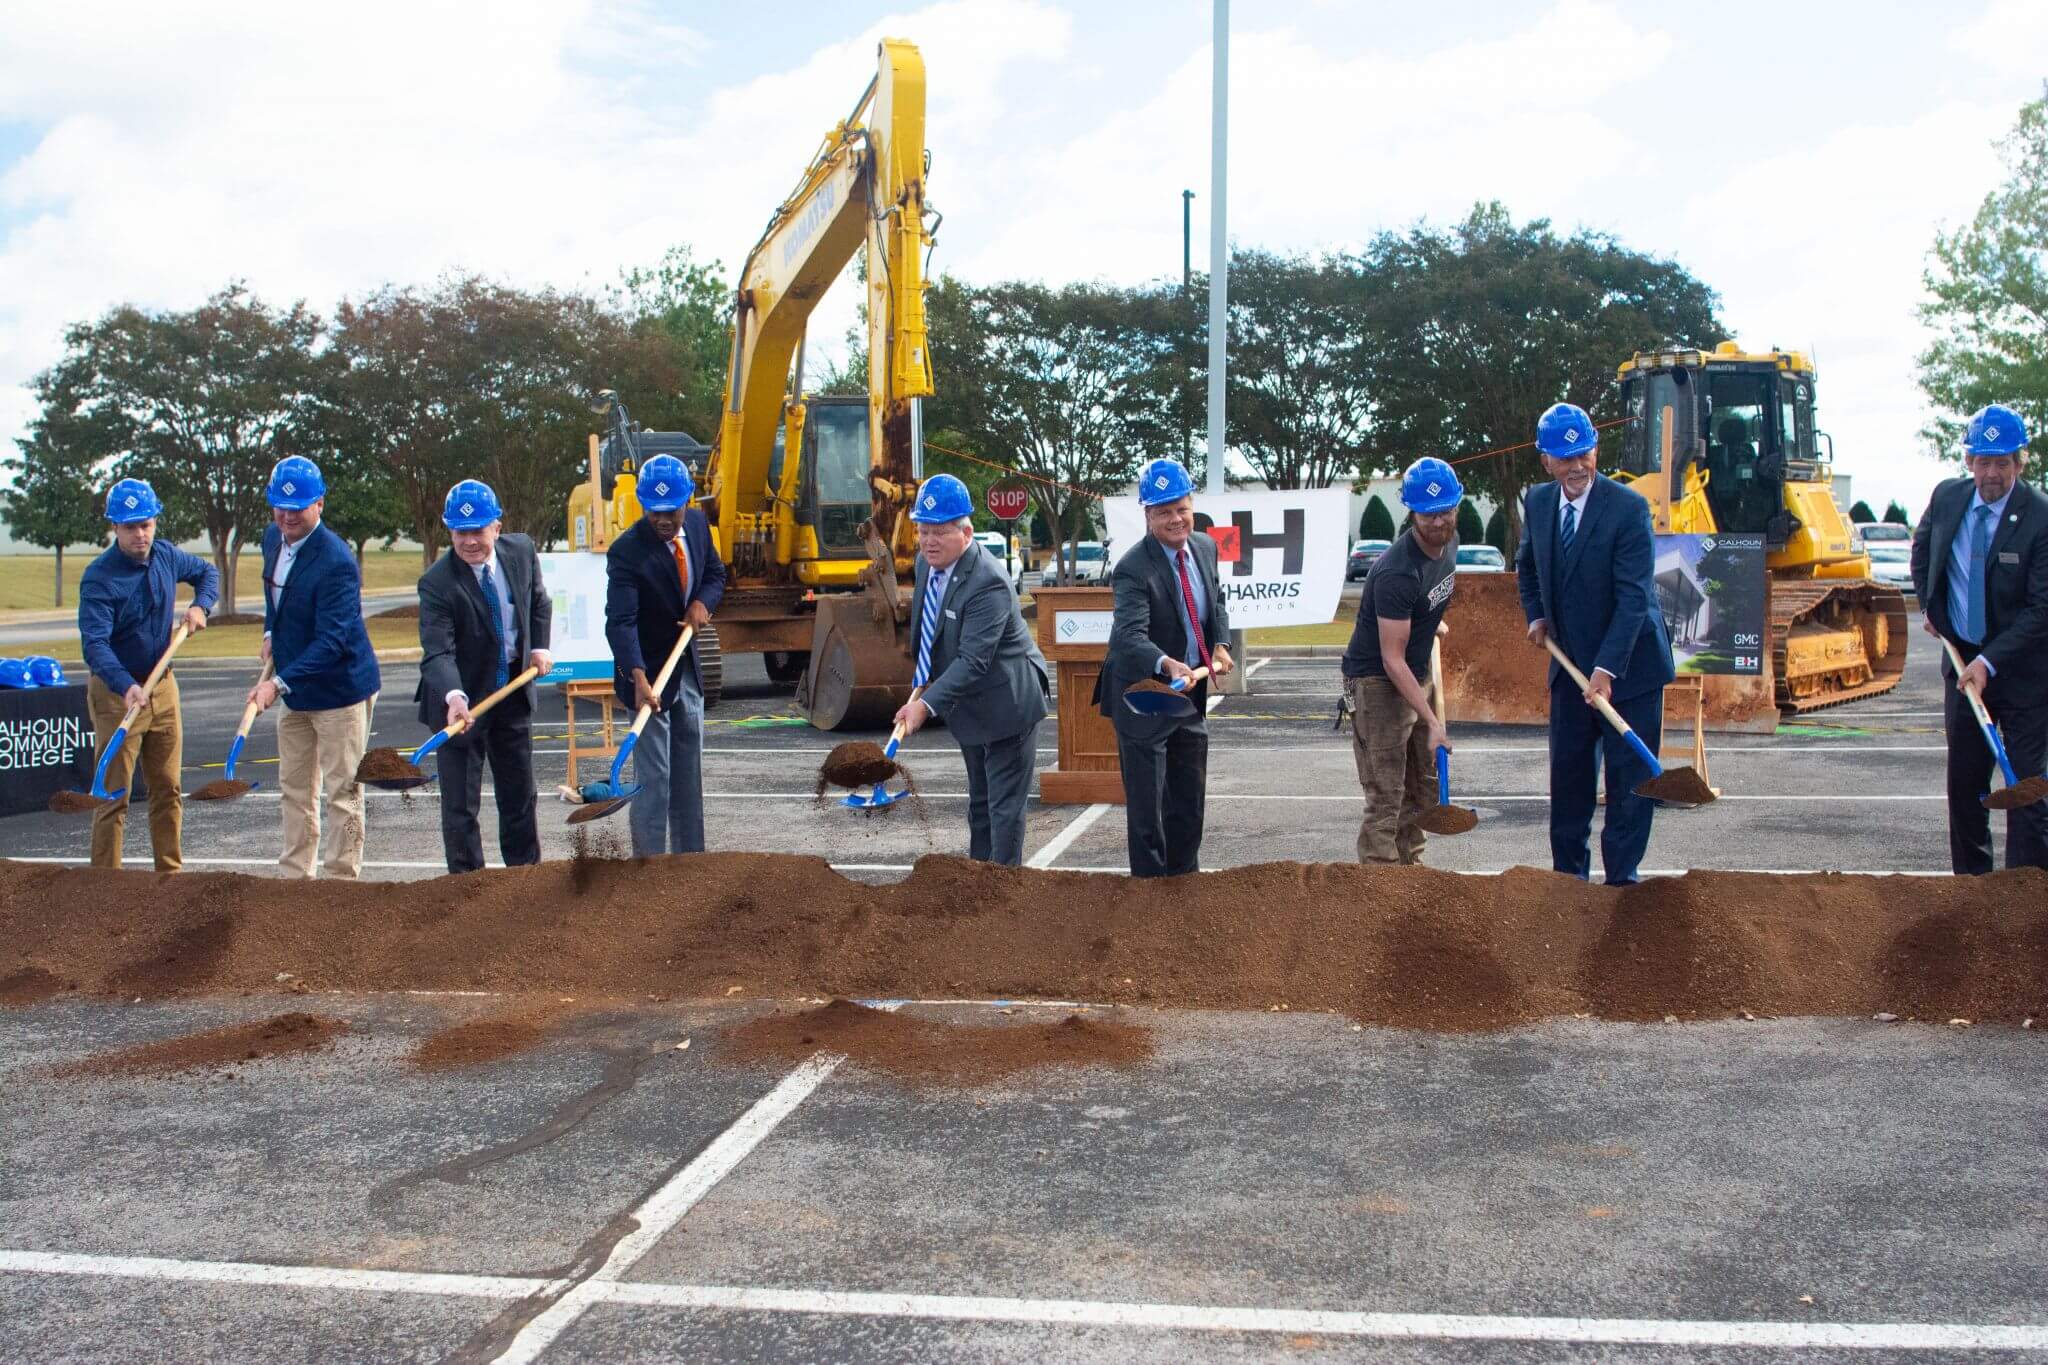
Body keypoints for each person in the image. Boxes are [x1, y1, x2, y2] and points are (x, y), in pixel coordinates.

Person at [1516, 402, 1674, 885]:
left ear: (1595, 449)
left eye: (1584, 453)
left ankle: (1621, 884)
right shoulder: (1539, 503)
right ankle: (1569, 885)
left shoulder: (1627, 508)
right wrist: (1537, 614)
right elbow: (1527, 566)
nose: (1578, 466)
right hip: (1570, 668)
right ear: (1546, 460)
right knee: (1569, 781)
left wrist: (1607, 670)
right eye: (1565, 458)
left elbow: (1633, 599)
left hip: (1630, 669)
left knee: (1629, 787)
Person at [1910, 403, 2048, 873]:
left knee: (2027, 787)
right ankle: (1973, 894)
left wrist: (1988, 663)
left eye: (2003, 462)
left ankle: (2025, 895)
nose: (1992, 473)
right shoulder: (1948, 498)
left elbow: (2042, 608)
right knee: (1966, 788)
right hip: (1962, 666)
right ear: (1969, 462)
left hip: (2023, 672)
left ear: (2020, 462)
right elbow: (1923, 548)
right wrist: (1931, 607)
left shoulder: (2040, 516)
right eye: (1984, 461)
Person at [889, 474, 1051, 865]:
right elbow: (930, 633)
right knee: (979, 804)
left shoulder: (988, 582)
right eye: (924, 531)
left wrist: (924, 706)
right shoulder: (928, 566)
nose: (929, 541)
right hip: (970, 708)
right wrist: (921, 681)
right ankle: (977, 886)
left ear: (966, 531)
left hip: (1007, 705)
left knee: (1003, 810)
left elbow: (974, 661)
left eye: (940, 532)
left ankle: (1004, 895)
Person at [1094, 457, 1234, 877]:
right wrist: (1165, 661)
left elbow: (1217, 601)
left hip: (1189, 694)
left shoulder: (1206, 547)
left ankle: (1184, 883)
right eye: (1163, 511)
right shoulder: (1134, 567)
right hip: (1144, 696)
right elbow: (1127, 637)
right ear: (1148, 515)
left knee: (1189, 799)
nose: (1175, 519)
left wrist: (1221, 644)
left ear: (1192, 506)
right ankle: (1149, 896)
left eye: (1181, 508)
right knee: (1147, 809)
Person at [76, 477, 219, 871]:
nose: (141, 534)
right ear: (115, 528)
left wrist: (200, 607)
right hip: (116, 694)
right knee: (113, 796)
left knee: (168, 789)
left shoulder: (167, 556)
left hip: (163, 688)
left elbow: (208, 574)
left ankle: (169, 878)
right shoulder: (99, 578)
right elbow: (95, 646)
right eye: (130, 526)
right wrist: (126, 686)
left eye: (147, 524)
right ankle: (106, 887)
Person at [249, 456, 381, 879]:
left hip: (339, 691)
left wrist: (278, 684)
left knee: (343, 791)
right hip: (296, 691)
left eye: (299, 507)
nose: (288, 515)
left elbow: (332, 641)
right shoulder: (274, 538)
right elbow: (276, 597)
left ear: (319, 504)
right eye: (281, 507)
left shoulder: (337, 561)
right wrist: (272, 629)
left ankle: (341, 884)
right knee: (295, 789)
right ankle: (295, 881)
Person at [415, 479, 554, 874]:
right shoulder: (437, 583)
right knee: (460, 805)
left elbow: (538, 601)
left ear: (496, 526)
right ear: (450, 531)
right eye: (461, 533)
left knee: (520, 796)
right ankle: (467, 890)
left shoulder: (522, 551)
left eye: (478, 531)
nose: (469, 542)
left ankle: (524, 879)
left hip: (512, 689)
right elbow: (438, 651)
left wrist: (539, 646)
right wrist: (455, 698)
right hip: (460, 697)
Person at [1341, 458, 1461, 865]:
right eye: (1428, 514)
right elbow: (1392, 660)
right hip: (1377, 682)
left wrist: (1431, 622)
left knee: (1420, 787)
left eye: (1445, 510)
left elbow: (1429, 596)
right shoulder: (1397, 571)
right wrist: (1431, 720)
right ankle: (1379, 884)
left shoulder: (1451, 543)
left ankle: (1411, 872)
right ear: (1412, 512)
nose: (1439, 521)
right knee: (1386, 792)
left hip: (1415, 669)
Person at [605, 454, 726, 856]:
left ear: (687, 503)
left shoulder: (697, 525)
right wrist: (637, 676)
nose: (663, 521)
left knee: (688, 773)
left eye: (670, 512)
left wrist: (702, 604)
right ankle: (649, 869)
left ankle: (690, 863)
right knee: (654, 778)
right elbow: (620, 622)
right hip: (647, 675)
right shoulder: (627, 553)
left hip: (685, 667)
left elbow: (714, 574)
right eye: (653, 512)